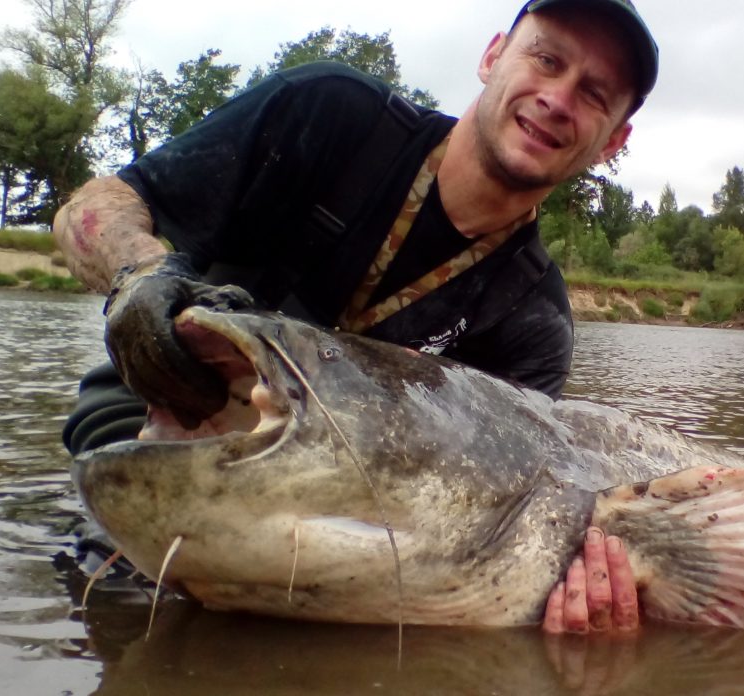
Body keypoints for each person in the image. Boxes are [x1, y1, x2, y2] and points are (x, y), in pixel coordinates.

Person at [54, 0, 658, 635]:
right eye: (546, 58)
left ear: (614, 140)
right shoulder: (327, 113)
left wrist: (571, 600)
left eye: (594, 94)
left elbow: (498, 513)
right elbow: (91, 210)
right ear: (492, 56)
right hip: (149, 451)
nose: (558, 99)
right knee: (109, 627)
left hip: (349, 545)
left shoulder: (534, 319)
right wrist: (139, 278)